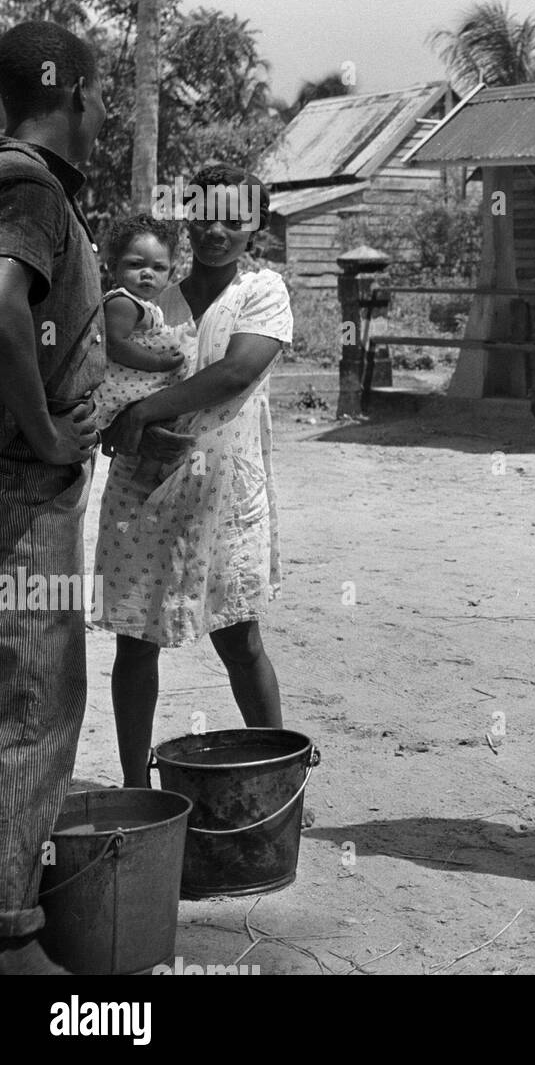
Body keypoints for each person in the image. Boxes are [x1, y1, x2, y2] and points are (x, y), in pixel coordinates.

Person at [0, 20, 190, 975]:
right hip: (22, 489)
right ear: (70, 92)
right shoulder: (29, 186)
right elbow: (1, 300)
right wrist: (41, 430)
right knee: (36, 702)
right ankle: (13, 939)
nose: (107, 109)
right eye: (102, 93)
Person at [95, 164, 292, 789]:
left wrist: (144, 412)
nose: (217, 230)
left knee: (240, 639)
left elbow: (236, 373)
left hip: (224, 492)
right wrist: (122, 424)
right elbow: (106, 372)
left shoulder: (263, 292)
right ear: (188, 217)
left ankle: (279, 781)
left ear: (253, 225)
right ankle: (134, 788)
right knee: (135, 640)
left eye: (234, 218)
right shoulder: (152, 301)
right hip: (145, 485)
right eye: (206, 215)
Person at [94, 213, 188, 495]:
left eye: (158, 268)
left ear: (170, 274)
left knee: (163, 417)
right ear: (113, 267)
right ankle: (144, 476)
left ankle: (141, 468)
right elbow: (117, 344)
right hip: (124, 385)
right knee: (163, 416)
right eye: (136, 265)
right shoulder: (123, 302)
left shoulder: (148, 305)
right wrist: (159, 363)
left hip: (136, 382)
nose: (147, 273)